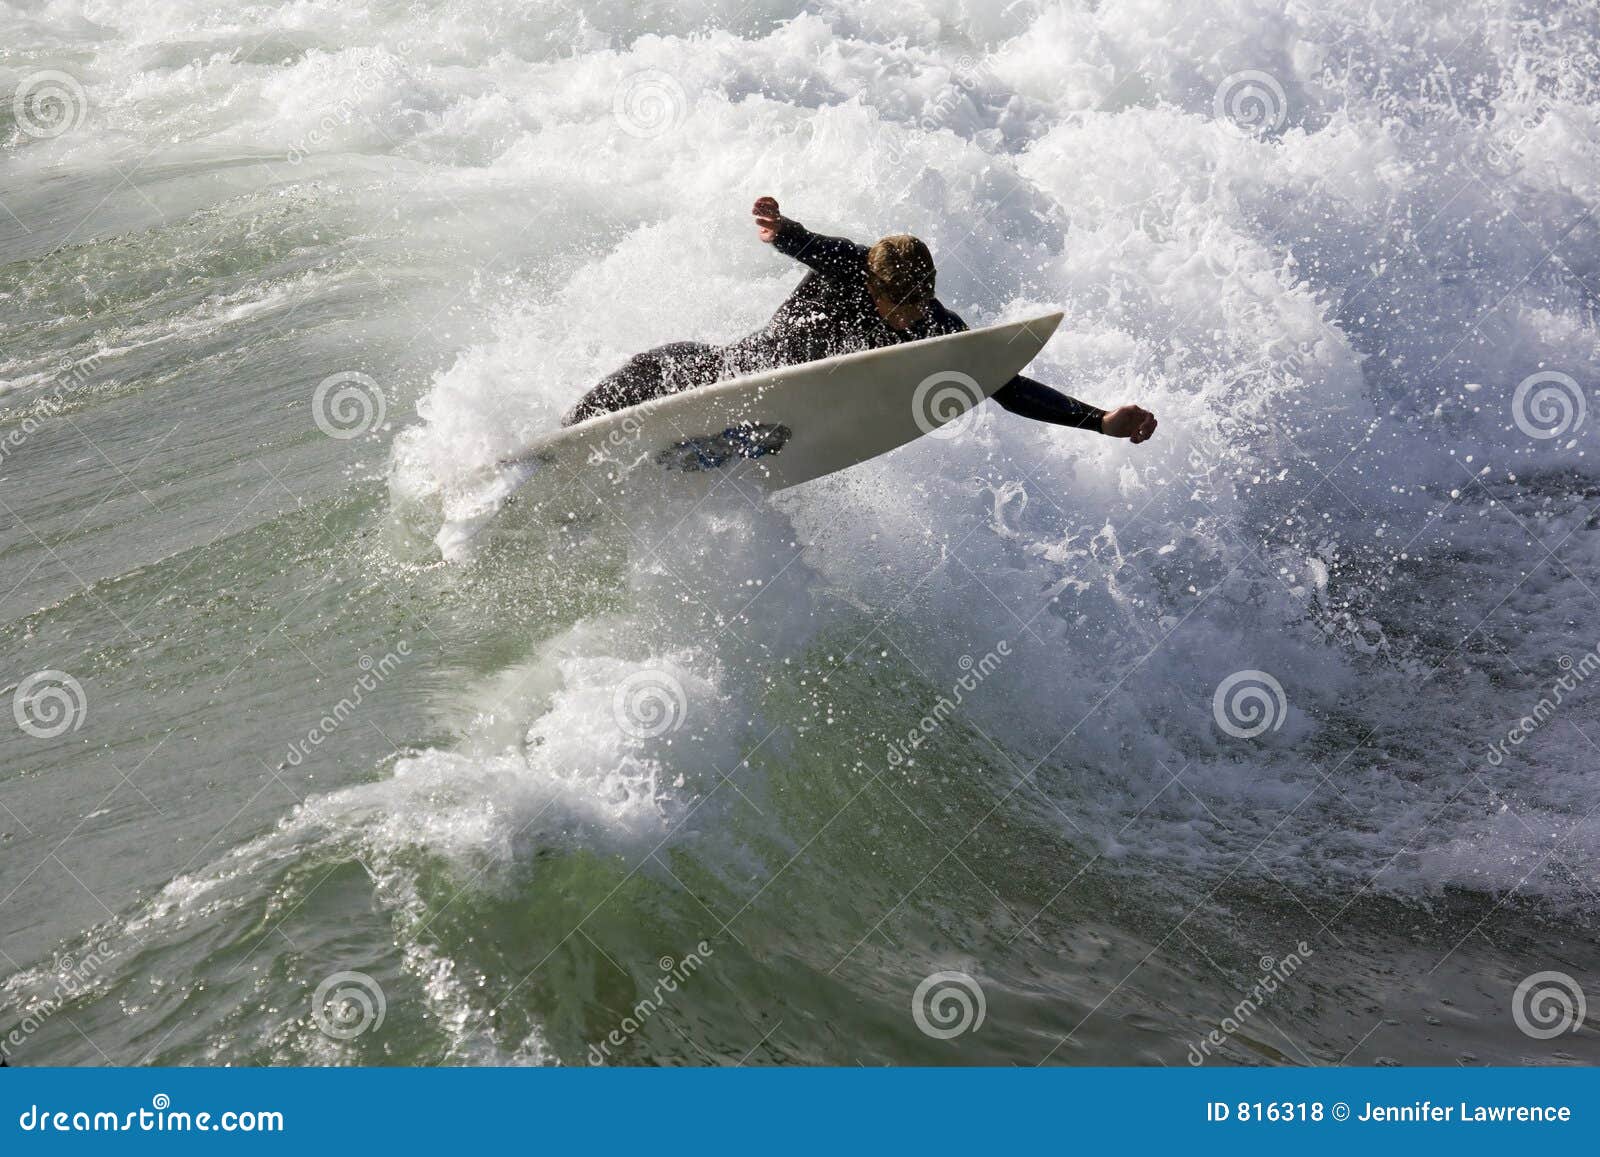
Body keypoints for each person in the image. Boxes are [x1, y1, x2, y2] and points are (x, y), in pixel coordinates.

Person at [565, 196, 1158, 446]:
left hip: (802, 404)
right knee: (661, 364)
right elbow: (809, 244)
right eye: (897, 305)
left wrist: (1098, 420)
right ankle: (560, 439)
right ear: (870, 283)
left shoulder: (932, 324)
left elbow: (1002, 382)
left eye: (918, 304)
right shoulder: (851, 264)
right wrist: (780, 228)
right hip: (744, 370)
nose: (908, 318)